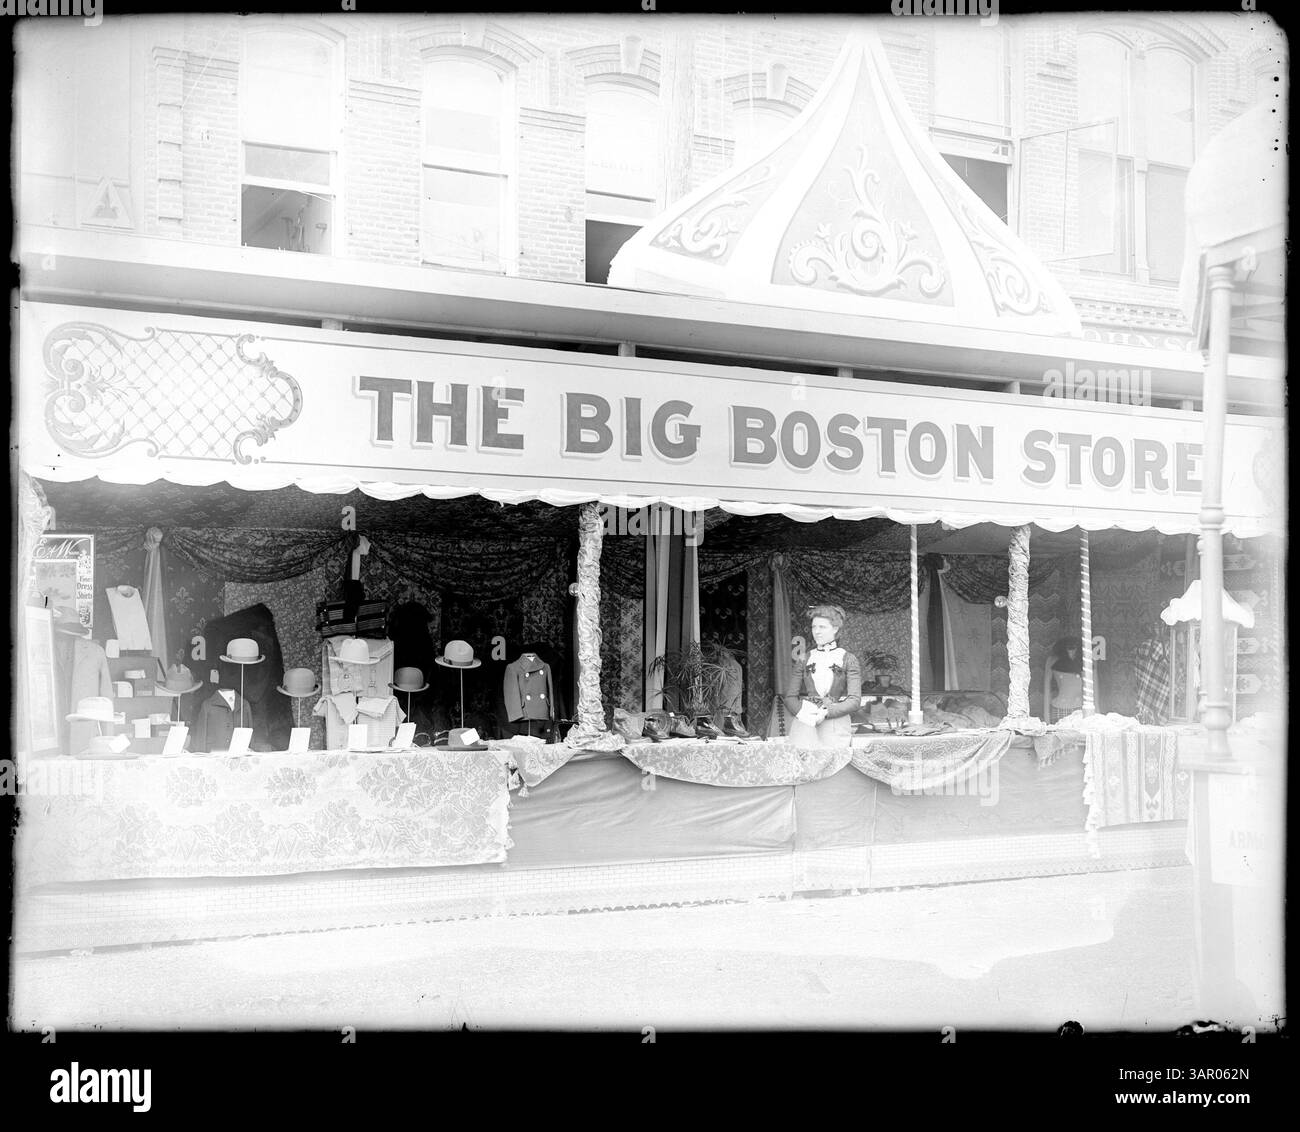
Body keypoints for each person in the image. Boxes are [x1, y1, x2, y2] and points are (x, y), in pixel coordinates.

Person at [784, 604, 862, 748]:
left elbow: (855, 700)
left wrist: (827, 712)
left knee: (833, 766)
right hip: (806, 723)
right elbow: (789, 697)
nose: (816, 632)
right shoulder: (804, 658)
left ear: (835, 628)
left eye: (822, 627)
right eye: (814, 627)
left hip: (835, 725)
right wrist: (803, 713)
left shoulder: (848, 658)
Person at [1043, 636, 1084, 723]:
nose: (1072, 650)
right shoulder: (1052, 660)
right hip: (1059, 708)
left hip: (1080, 709)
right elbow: (1047, 690)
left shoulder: (1086, 660)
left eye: (1074, 646)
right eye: (1069, 647)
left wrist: (1096, 715)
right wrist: (1046, 720)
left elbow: (1094, 692)